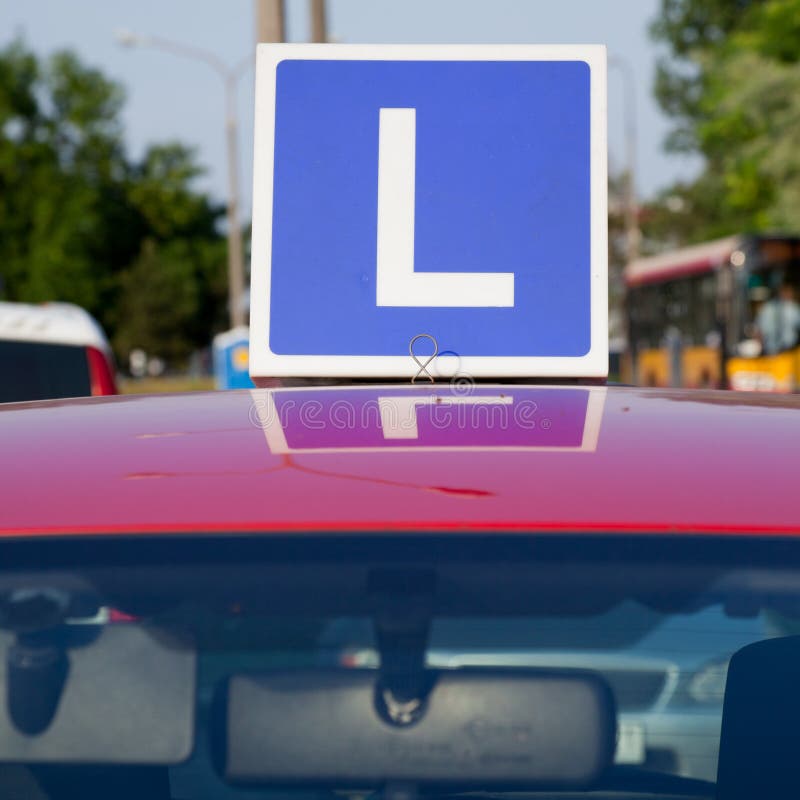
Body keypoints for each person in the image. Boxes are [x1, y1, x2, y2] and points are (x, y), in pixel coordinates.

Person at [755, 284, 800, 355]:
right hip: (771, 352)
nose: (790, 294)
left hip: (789, 352)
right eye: (787, 291)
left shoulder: (793, 308)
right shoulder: (767, 308)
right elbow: (759, 332)